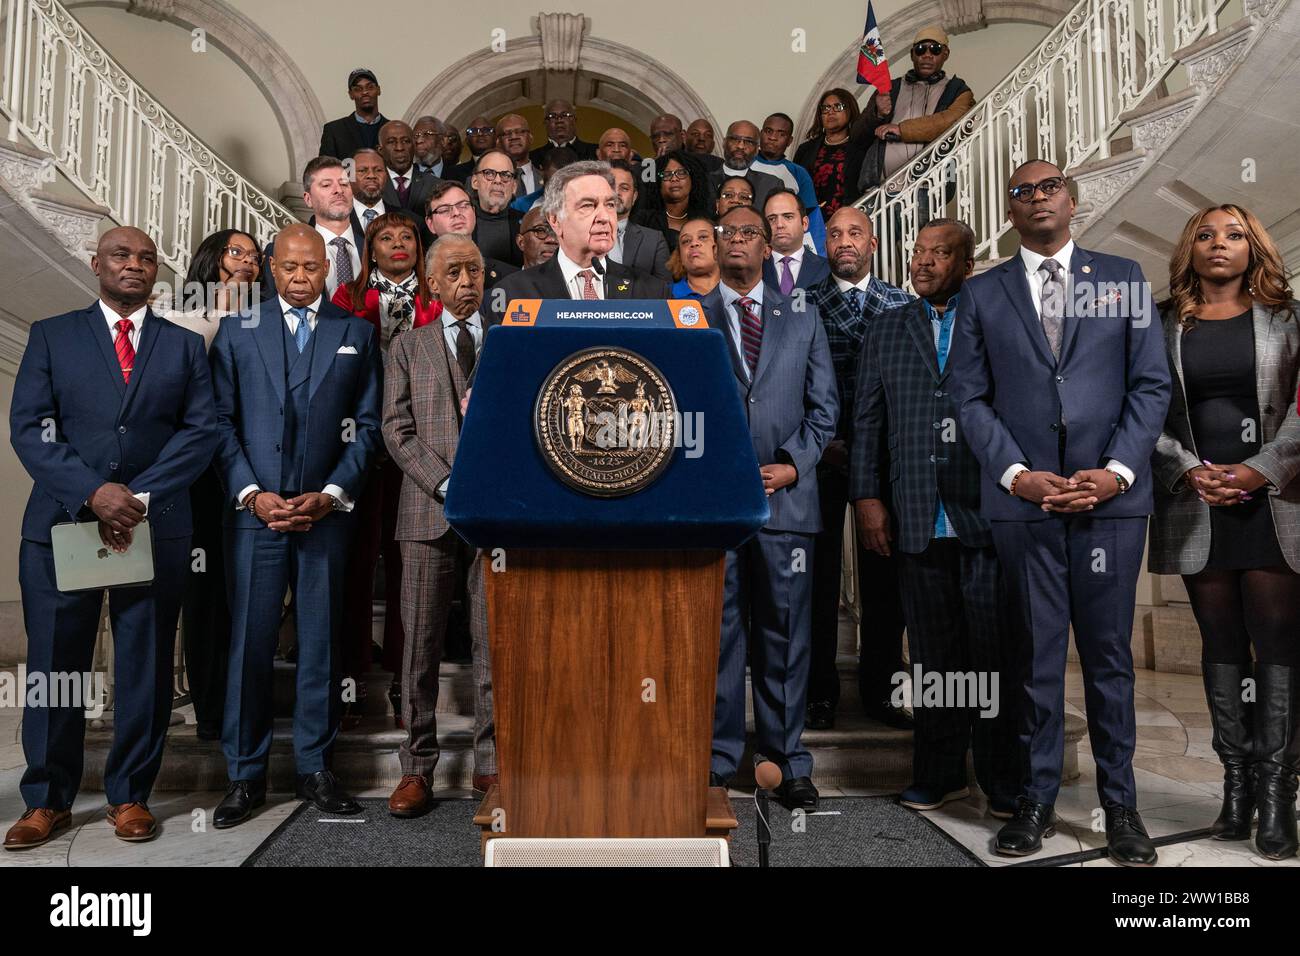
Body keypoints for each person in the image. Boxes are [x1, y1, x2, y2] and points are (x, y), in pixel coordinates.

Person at [948, 160, 1171, 864]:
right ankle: (1035, 801)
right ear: (1009, 211)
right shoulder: (982, 294)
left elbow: (1150, 383)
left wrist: (1114, 473)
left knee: (1109, 660)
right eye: (1021, 191)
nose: (1037, 197)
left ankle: (1122, 808)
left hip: (1111, 504)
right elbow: (968, 397)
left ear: (1071, 200)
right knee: (1037, 658)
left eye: (1049, 187)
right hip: (1027, 507)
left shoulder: (1123, 278)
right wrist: (1018, 477)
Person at [5, 227, 217, 849]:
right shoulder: (53, 335)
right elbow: (31, 428)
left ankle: (130, 796)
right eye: (122, 256)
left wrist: (139, 498)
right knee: (53, 668)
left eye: (147, 258)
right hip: (62, 527)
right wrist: (92, 492)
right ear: (96, 264)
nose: (135, 265)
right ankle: (47, 801)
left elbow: (200, 432)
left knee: (144, 666)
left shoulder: (182, 347)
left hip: (154, 526)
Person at [208, 224, 384, 828]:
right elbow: (220, 424)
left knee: (320, 643)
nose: (302, 277)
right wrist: (253, 494)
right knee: (250, 646)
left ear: (326, 271)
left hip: (323, 516)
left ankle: (315, 767)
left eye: (313, 267)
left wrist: (332, 495)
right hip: (255, 516)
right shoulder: (237, 331)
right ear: (271, 269)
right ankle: (244, 776)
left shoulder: (356, 333)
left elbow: (368, 426)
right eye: (290, 267)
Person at [851, 219, 1019, 817]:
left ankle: (1003, 779)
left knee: (993, 653)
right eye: (918, 252)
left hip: (988, 514)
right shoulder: (888, 325)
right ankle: (939, 772)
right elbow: (867, 421)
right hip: (918, 515)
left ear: (965, 263)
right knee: (932, 655)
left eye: (938, 253)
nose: (922, 262)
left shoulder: (995, 320)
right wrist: (868, 498)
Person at [1148, 204, 1300, 860]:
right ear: (1191, 248)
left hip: (1276, 501)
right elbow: (1142, 410)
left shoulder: (1289, 320)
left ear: (1253, 248)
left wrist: (1260, 469)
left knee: (1279, 646)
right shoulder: (1161, 323)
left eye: (1234, 235)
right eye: (1205, 234)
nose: (1218, 244)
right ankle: (1234, 792)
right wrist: (1188, 470)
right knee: (1221, 648)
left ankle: (1277, 799)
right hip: (1198, 502)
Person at [702, 205, 838, 811]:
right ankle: (719, 760)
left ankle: (788, 760)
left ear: (769, 245)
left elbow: (825, 408)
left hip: (787, 500)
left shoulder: (801, 315)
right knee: (720, 637)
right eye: (724, 233)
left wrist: (792, 463)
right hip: (715, 507)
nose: (736, 241)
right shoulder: (689, 318)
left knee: (785, 636)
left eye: (747, 232)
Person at [383, 233, 498, 814]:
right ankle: (417, 769)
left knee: (491, 645)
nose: (466, 281)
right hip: (426, 513)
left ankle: (490, 765)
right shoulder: (407, 346)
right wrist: (448, 483)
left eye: (474, 270)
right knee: (419, 647)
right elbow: (396, 430)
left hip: (495, 519)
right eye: (453, 272)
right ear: (431, 283)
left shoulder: (508, 344)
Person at [805, 206, 913, 731]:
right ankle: (818, 694)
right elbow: (792, 385)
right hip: (822, 459)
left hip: (884, 462)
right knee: (817, 582)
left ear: (872, 242)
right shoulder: (803, 304)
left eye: (855, 233)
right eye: (836, 234)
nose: (844, 241)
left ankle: (884, 693)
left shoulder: (901, 303)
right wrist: (820, 443)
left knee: (884, 582)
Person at [332, 214, 440, 728]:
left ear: (419, 249)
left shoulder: (435, 301)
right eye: (385, 238)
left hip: (419, 451)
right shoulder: (347, 302)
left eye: (407, 238)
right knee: (355, 567)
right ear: (369, 249)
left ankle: (405, 680)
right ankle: (351, 681)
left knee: (409, 571)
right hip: (359, 447)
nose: (397, 244)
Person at [167, 229, 263, 743]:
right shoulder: (178, 315)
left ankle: (247, 703)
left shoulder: (265, 316)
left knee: (249, 591)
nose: (247, 261)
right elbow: (176, 382)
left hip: (256, 469)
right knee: (205, 592)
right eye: (235, 252)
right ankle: (210, 708)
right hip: (202, 475)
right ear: (210, 259)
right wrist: (221, 311)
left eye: (253, 255)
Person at [486, 160, 670, 322]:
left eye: (610, 205)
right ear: (556, 221)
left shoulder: (652, 293)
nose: (604, 217)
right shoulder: (512, 295)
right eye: (588, 205)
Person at [854, 26, 975, 193]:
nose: (927, 55)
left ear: (945, 54)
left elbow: (952, 122)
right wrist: (877, 114)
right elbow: (857, 136)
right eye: (920, 49)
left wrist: (902, 129)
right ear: (912, 54)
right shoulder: (890, 88)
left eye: (935, 49)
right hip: (880, 189)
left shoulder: (957, 90)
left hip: (928, 188)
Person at [262, 157, 365, 300]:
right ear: (308, 199)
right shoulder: (277, 251)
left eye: (344, 184)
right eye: (326, 185)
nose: (339, 190)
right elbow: (271, 309)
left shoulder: (376, 248)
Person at [422, 180, 518, 290]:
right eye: (444, 210)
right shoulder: (419, 282)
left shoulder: (511, 277)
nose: (456, 213)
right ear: (430, 224)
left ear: (473, 211)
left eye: (463, 206)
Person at [754, 112, 827, 254]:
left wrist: (818, 257)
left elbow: (811, 217)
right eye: (768, 131)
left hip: (783, 246)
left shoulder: (799, 173)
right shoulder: (744, 165)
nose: (773, 137)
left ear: (790, 140)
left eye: (781, 134)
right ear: (761, 133)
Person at [794, 88, 873, 217]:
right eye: (825, 108)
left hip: (849, 218)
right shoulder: (806, 149)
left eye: (837, 107)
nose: (830, 112)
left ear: (850, 110)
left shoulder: (862, 147)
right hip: (811, 220)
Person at [632, 150, 714, 251]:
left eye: (681, 173)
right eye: (666, 175)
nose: (674, 179)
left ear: (693, 180)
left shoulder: (706, 220)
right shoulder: (643, 220)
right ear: (658, 183)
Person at [608, 159, 671, 282]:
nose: (616, 193)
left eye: (624, 188)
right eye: (610, 186)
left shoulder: (654, 240)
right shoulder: (581, 235)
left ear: (635, 197)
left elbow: (664, 291)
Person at [761, 188, 829, 293]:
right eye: (771, 219)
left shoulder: (828, 269)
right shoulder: (751, 268)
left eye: (788, 217)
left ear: (805, 223)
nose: (779, 225)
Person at [710, 121, 783, 213]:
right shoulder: (704, 181)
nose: (740, 146)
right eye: (735, 139)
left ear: (757, 149)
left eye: (749, 142)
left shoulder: (771, 185)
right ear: (724, 143)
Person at [469, 149, 524, 267]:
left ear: (514, 187)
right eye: (489, 173)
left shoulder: (526, 225)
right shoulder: (459, 223)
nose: (498, 180)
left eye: (506, 175)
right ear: (474, 182)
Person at [319, 68, 387, 160]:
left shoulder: (392, 130)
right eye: (358, 89)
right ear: (351, 94)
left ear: (378, 90)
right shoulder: (334, 131)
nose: (365, 92)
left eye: (370, 87)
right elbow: (326, 170)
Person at [350, 148, 422, 234]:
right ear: (348, 177)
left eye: (378, 170)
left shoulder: (411, 221)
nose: (372, 175)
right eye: (362, 170)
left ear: (386, 176)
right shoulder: (334, 218)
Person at [377, 120, 432, 216]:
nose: (399, 148)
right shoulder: (373, 186)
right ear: (380, 150)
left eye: (406, 141)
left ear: (414, 146)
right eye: (391, 142)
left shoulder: (435, 185)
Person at [530, 98, 598, 165]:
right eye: (552, 116)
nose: (559, 120)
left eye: (565, 115)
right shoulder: (532, 158)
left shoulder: (595, 152)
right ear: (545, 122)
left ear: (574, 119)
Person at [668, 215, 719, 300]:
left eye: (703, 237)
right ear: (680, 256)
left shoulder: (741, 293)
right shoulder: (664, 295)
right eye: (686, 241)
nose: (694, 243)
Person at [497, 113, 541, 196]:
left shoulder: (548, 179)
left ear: (530, 138)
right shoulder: (487, 181)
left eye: (520, 132)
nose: (514, 137)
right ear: (498, 142)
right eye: (507, 133)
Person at [452, 116, 497, 181]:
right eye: (474, 131)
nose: (480, 134)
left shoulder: (509, 166)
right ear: (467, 140)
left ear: (495, 137)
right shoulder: (453, 173)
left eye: (486, 130)